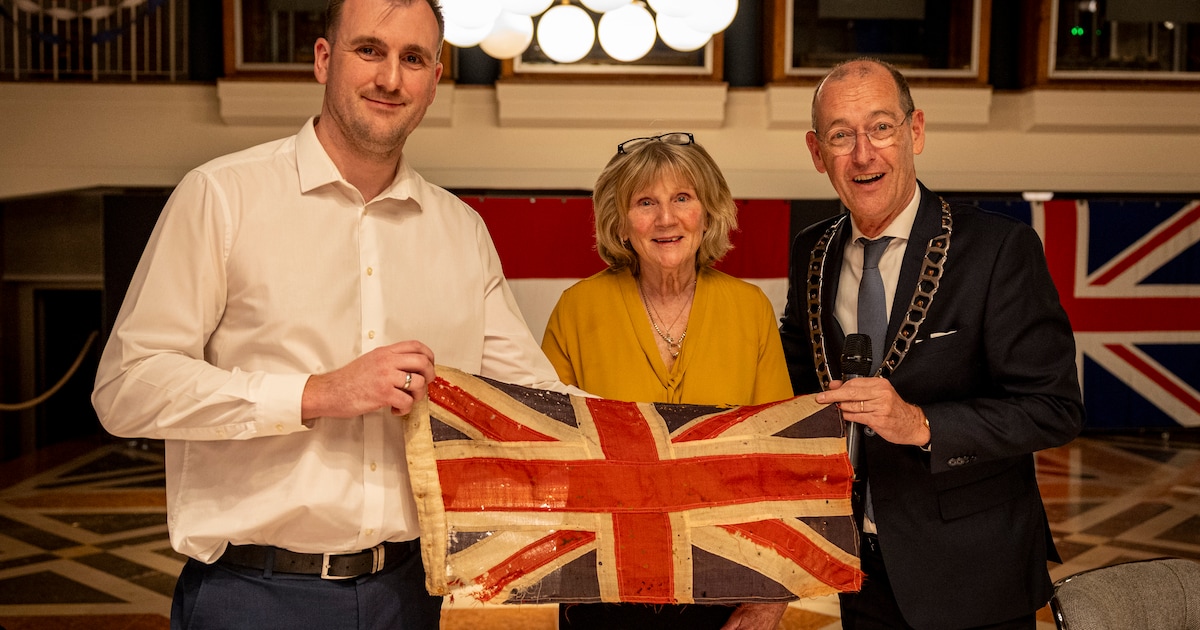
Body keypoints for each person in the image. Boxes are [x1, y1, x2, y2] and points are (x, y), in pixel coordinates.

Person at [90, 1, 570, 628]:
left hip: (408, 595)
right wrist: (317, 393)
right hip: (252, 596)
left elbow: (530, 401)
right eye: (369, 50)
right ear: (323, 59)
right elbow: (126, 389)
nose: (390, 78)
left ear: (435, 78)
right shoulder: (222, 197)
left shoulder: (461, 232)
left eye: (413, 58)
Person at [779, 58, 1085, 629]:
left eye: (881, 127)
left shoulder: (999, 250)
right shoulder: (811, 251)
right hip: (858, 569)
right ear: (817, 153)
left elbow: (1055, 409)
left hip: (974, 571)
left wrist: (923, 424)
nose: (863, 153)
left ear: (915, 130)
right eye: (841, 135)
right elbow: (793, 382)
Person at [541, 132, 794, 630]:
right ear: (620, 221)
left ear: (709, 210)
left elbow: (778, 465)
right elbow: (549, 459)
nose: (665, 219)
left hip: (729, 589)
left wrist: (772, 597)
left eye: (682, 197)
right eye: (645, 202)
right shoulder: (577, 308)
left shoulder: (751, 309)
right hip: (602, 590)